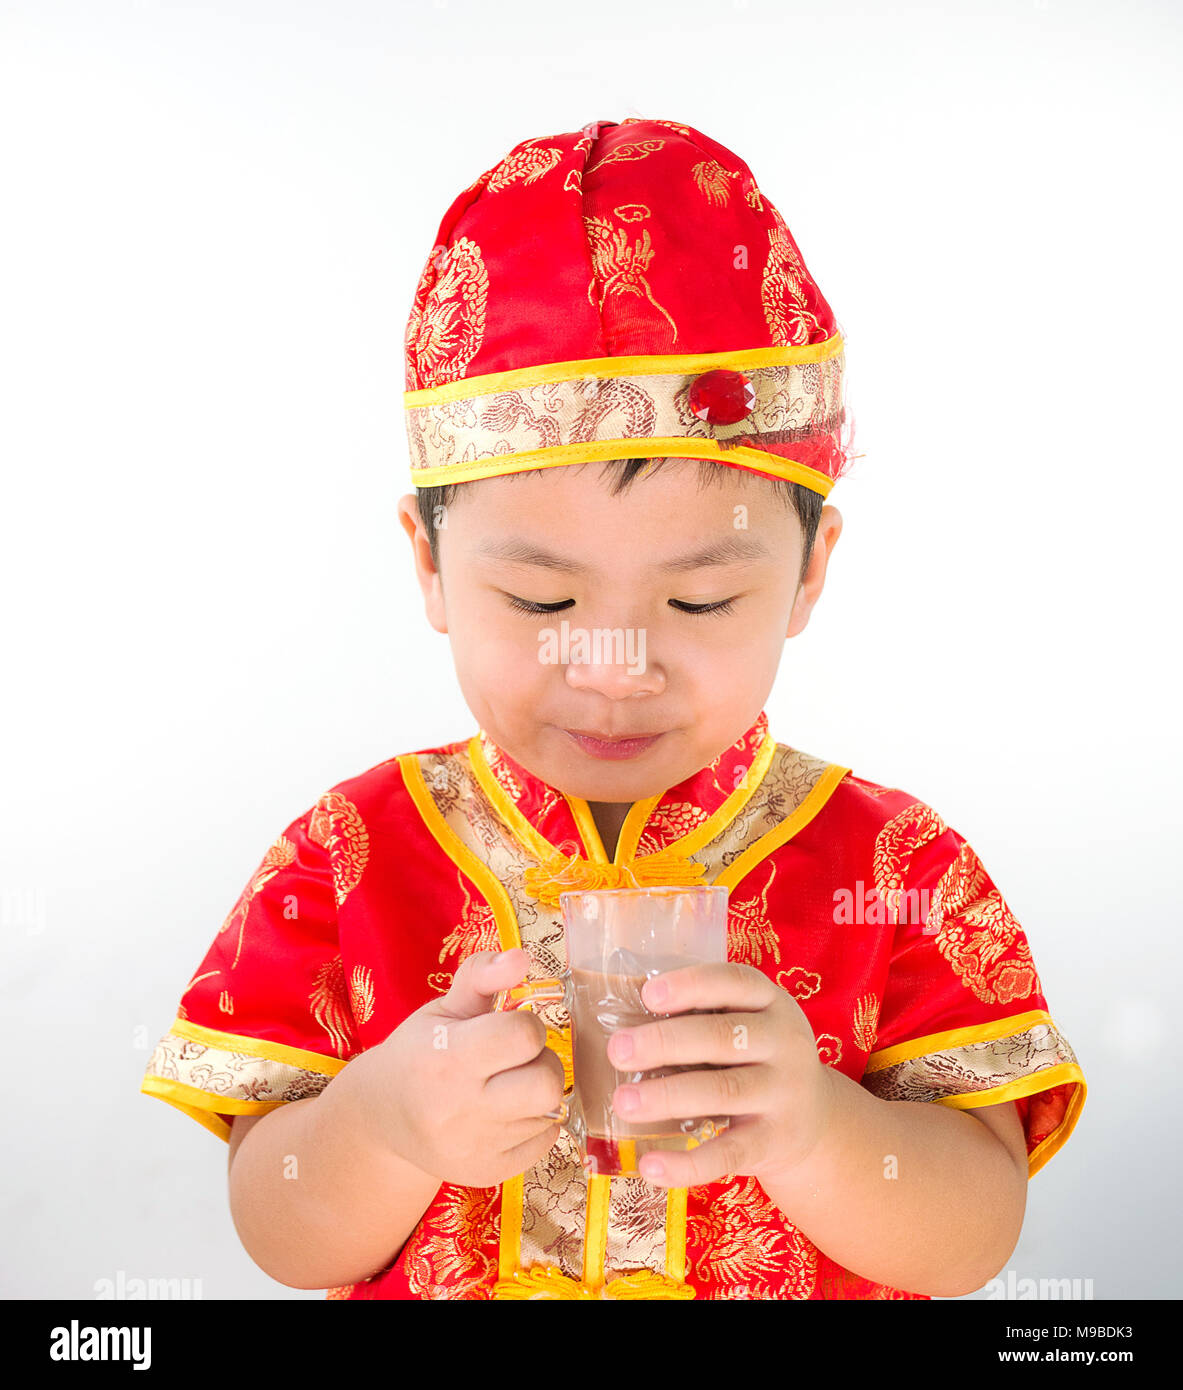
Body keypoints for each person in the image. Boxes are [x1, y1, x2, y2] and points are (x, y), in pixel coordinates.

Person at [140, 117, 1086, 1300]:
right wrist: (378, 1125)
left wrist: (820, 1132)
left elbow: (979, 1231)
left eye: (698, 600)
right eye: (540, 598)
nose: (613, 663)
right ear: (429, 569)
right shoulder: (348, 856)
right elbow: (281, 1232)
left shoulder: (898, 865)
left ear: (808, 573)